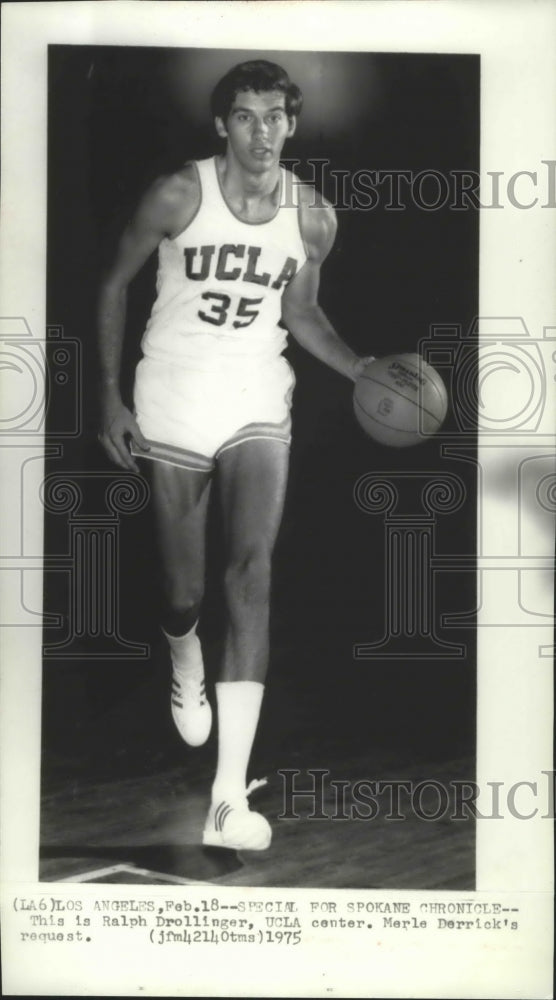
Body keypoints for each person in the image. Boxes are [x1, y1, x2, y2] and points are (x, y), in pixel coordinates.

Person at [97, 59, 374, 851]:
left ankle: (227, 797)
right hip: (174, 391)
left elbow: (305, 313)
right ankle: (180, 647)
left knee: (251, 573)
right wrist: (107, 399)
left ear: (293, 123)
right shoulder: (179, 193)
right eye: (245, 117)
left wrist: (359, 367)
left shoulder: (312, 217)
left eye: (275, 116)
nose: (262, 132)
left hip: (256, 391)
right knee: (184, 590)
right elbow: (114, 282)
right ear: (222, 125)